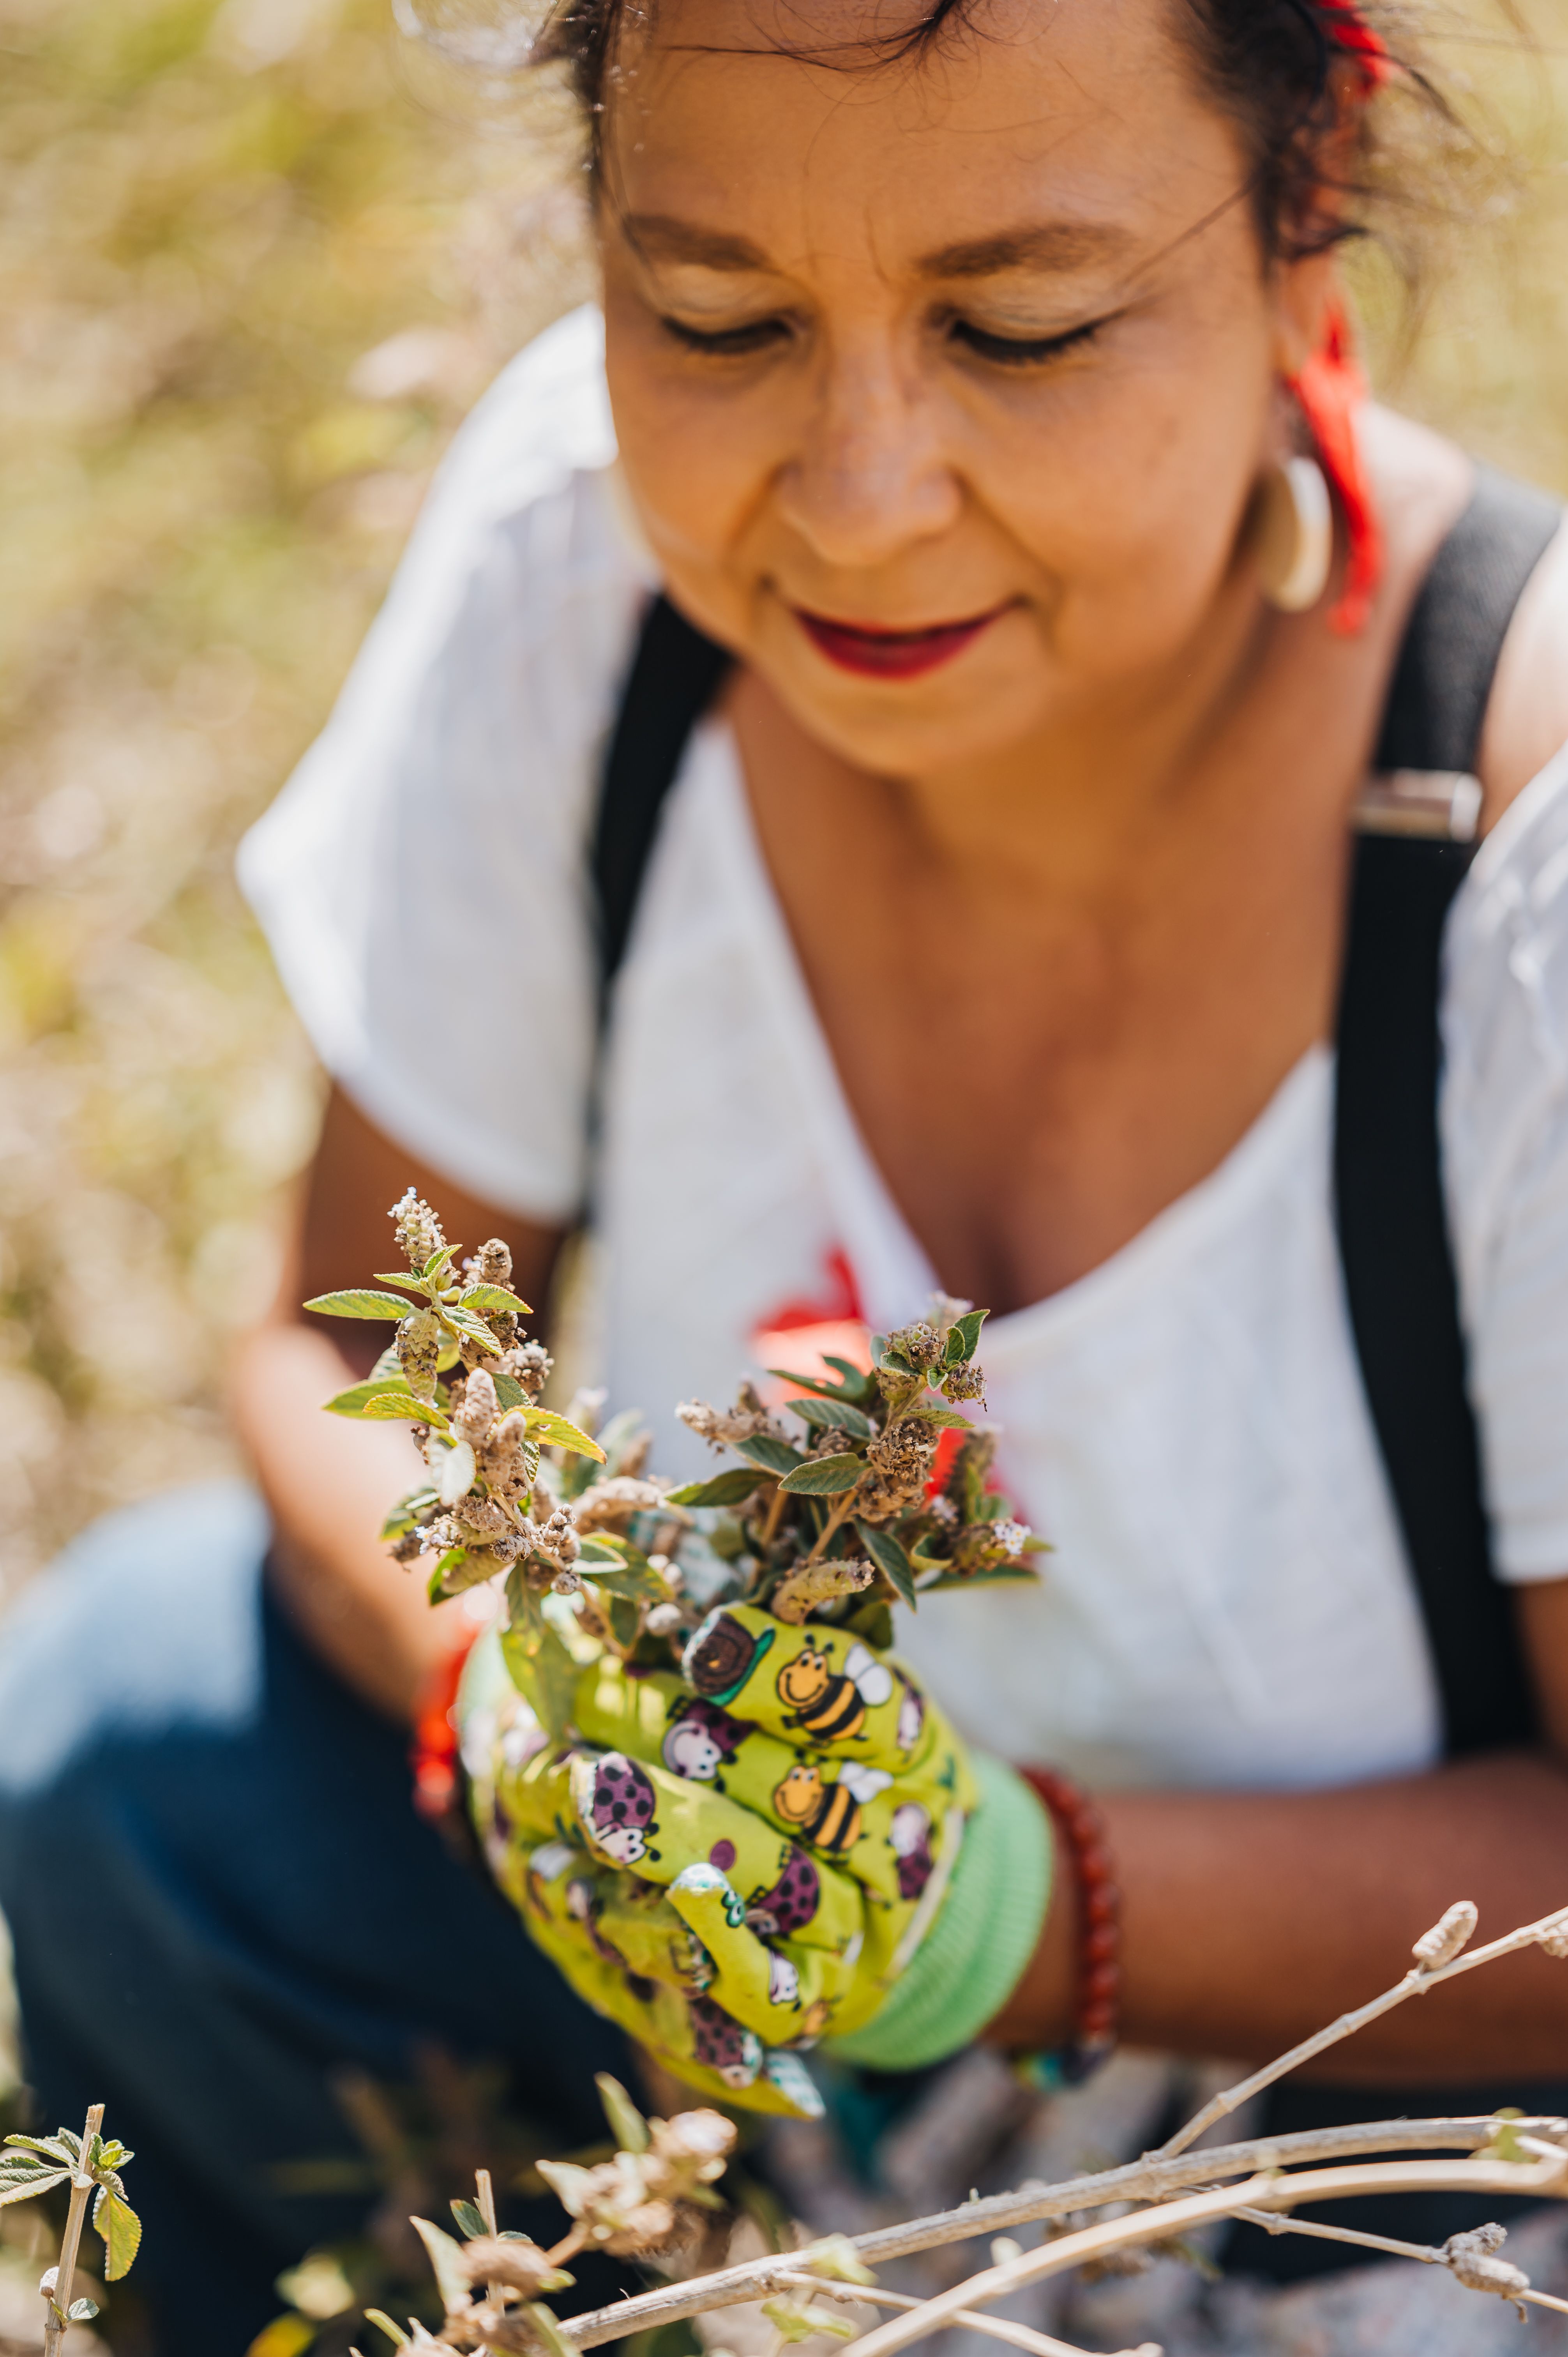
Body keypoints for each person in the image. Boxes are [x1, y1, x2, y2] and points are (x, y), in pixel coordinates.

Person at [5, 0, 1568, 2346]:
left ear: (1305, 180)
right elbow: (353, 1331)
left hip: (1397, 2178)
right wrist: (523, 1709)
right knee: (133, 1761)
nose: (854, 498)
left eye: (1018, 328)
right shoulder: (589, 573)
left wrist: (1000, 1912)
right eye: (713, 317)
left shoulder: (1517, 860)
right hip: (727, 2050)